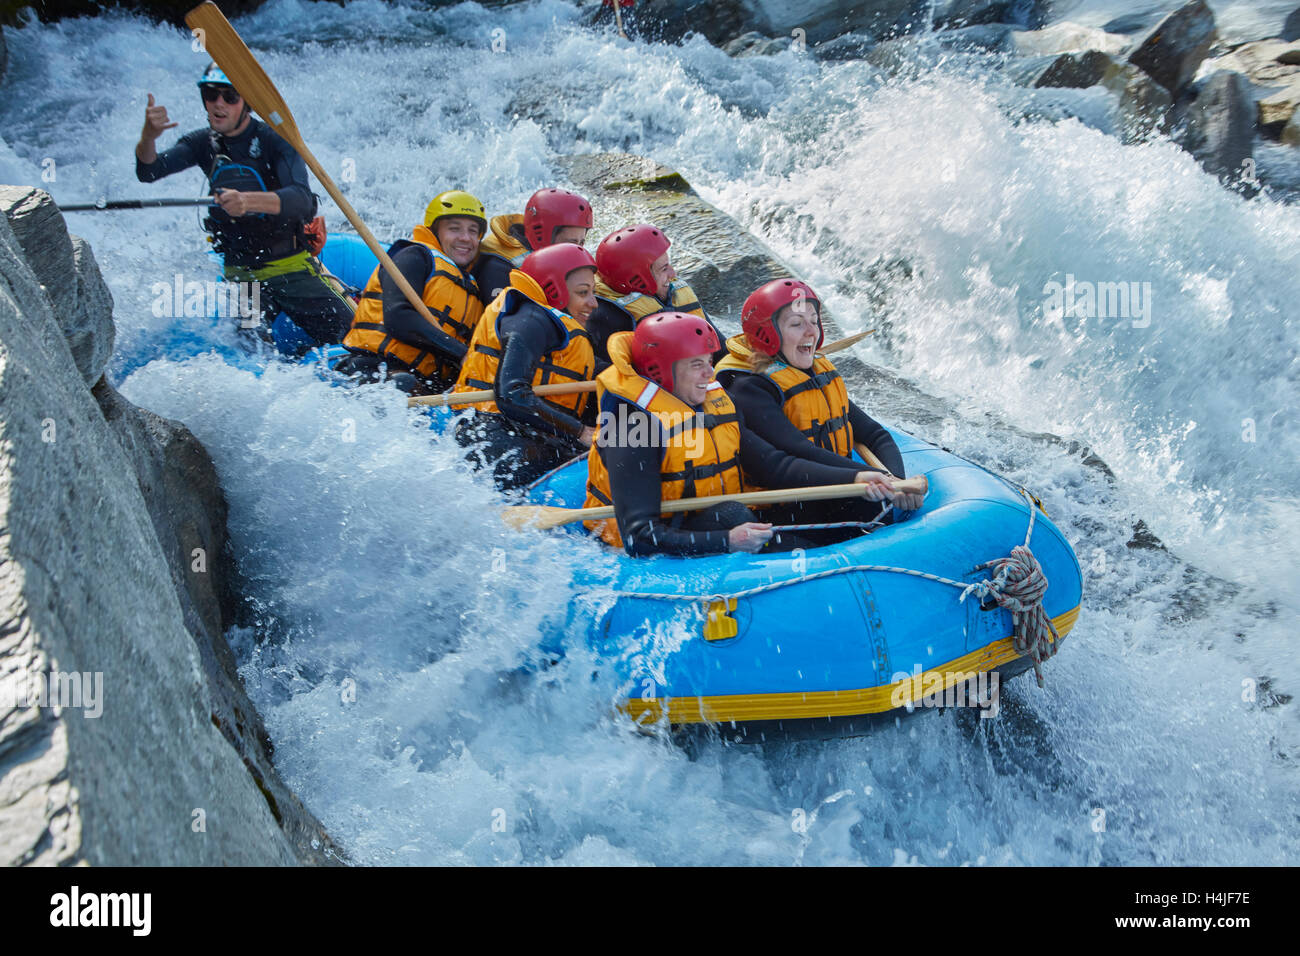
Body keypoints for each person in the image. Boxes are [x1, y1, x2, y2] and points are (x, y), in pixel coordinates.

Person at [584, 313, 902, 557]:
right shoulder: (629, 427)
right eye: (696, 365)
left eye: (709, 362)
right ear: (660, 370)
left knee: (859, 504)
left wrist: (858, 478)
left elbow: (775, 466)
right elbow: (639, 537)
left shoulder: (713, 401)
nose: (710, 374)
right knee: (732, 514)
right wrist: (727, 540)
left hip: (716, 520)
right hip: (672, 537)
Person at [135, 63, 352, 350]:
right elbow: (149, 171)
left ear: (246, 102)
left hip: (290, 269)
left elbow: (302, 201)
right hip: (243, 279)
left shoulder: (274, 140)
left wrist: (247, 201)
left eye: (230, 96)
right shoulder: (202, 143)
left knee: (356, 338)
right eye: (211, 95)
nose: (218, 104)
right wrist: (148, 137)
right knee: (251, 351)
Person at [714, 279, 926, 525]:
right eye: (796, 324)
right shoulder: (746, 386)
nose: (811, 332)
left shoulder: (814, 370)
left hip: (835, 490)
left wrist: (895, 482)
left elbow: (876, 434)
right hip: (787, 508)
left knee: (873, 505)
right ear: (767, 334)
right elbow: (800, 452)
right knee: (868, 507)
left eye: (814, 321)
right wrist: (877, 480)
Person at [450, 243, 600, 490]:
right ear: (555, 290)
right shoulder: (530, 320)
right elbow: (511, 395)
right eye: (583, 292)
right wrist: (580, 431)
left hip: (517, 432)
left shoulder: (551, 325)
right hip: (487, 432)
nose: (593, 303)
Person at [338, 190, 487, 394]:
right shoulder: (414, 257)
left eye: (473, 231)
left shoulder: (473, 288)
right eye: (454, 229)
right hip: (375, 367)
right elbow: (398, 317)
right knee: (403, 383)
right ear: (435, 231)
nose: (465, 238)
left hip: (424, 383)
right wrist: (460, 353)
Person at [587, 223, 725, 366]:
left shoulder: (674, 292)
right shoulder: (604, 316)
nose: (673, 274)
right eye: (664, 269)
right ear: (637, 280)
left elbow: (721, 350)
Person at [472, 187, 593, 305]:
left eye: (581, 243)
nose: (578, 251)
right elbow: (502, 320)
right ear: (542, 236)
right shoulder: (498, 269)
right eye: (570, 244)